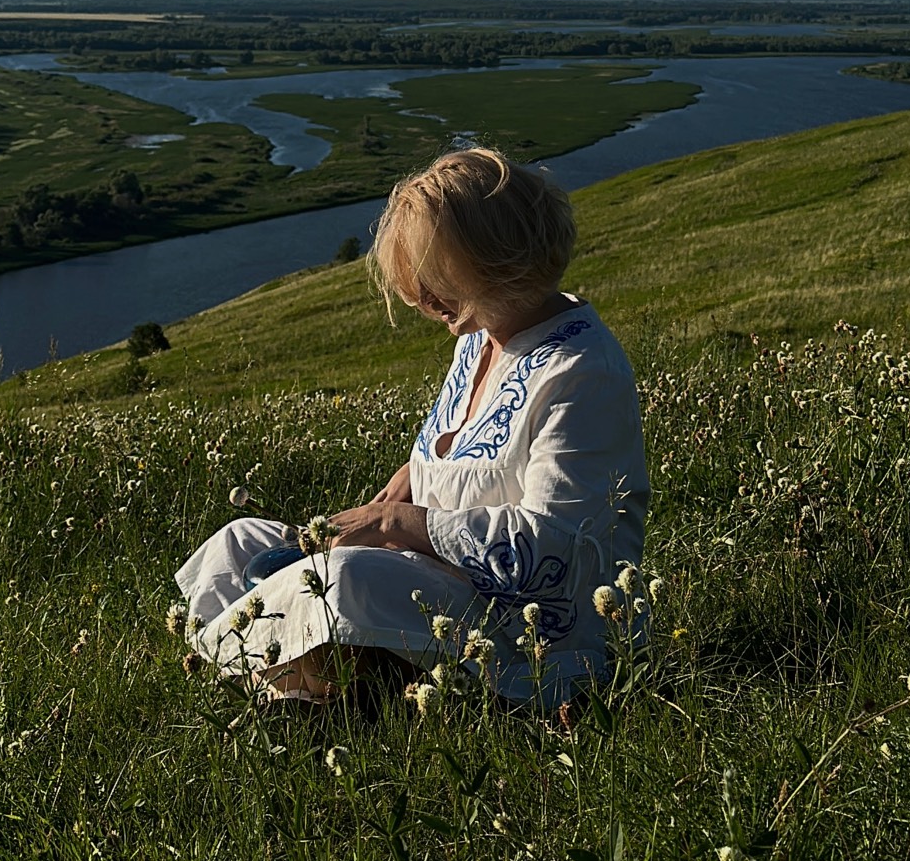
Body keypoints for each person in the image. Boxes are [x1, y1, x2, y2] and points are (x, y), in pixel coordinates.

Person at [174, 147, 649, 707]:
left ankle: (293, 693)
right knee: (242, 540)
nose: (421, 299)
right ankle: (292, 682)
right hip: (429, 574)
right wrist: (404, 482)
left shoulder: (581, 372)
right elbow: (469, 460)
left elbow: (552, 550)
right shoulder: (481, 338)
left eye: (436, 276)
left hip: (523, 631)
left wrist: (394, 521)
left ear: (494, 258)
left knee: (345, 579)